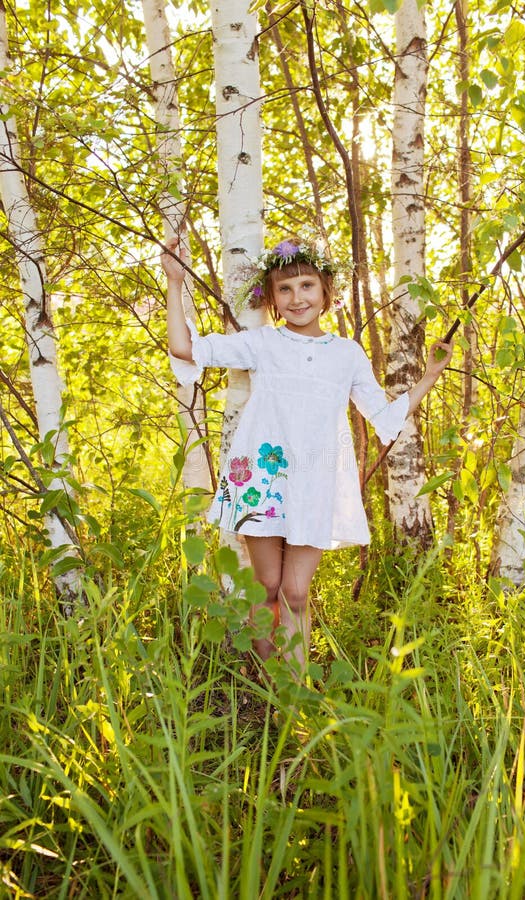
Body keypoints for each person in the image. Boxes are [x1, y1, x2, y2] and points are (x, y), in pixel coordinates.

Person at [162, 236, 453, 673]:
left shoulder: (346, 354)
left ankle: (296, 693)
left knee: (295, 592)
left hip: (316, 482)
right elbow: (187, 348)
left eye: (306, 286)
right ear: (273, 298)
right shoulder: (261, 343)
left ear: (325, 292)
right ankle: (269, 685)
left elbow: (384, 413)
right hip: (261, 478)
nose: (297, 298)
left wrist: (430, 374)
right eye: (285, 289)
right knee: (266, 584)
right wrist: (174, 281)